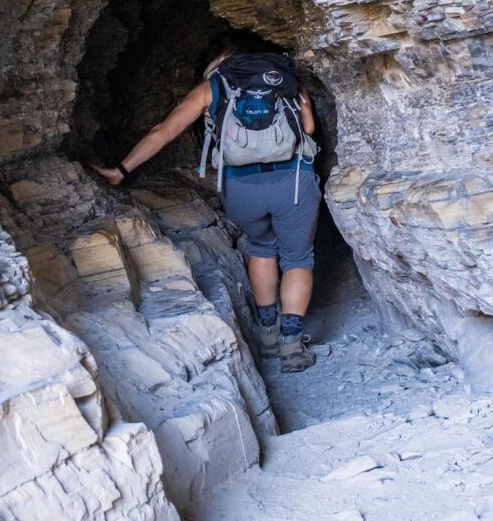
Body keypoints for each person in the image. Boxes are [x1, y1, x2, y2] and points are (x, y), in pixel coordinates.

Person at [92, 36, 321, 372]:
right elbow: (309, 127)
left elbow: (164, 131)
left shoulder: (211, 88)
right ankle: (291, 345)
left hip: (240, 187)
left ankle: (268, 335)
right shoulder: (282, 79)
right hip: (293, 182)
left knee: (261, 247)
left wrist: (120, 170)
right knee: (298, 257)